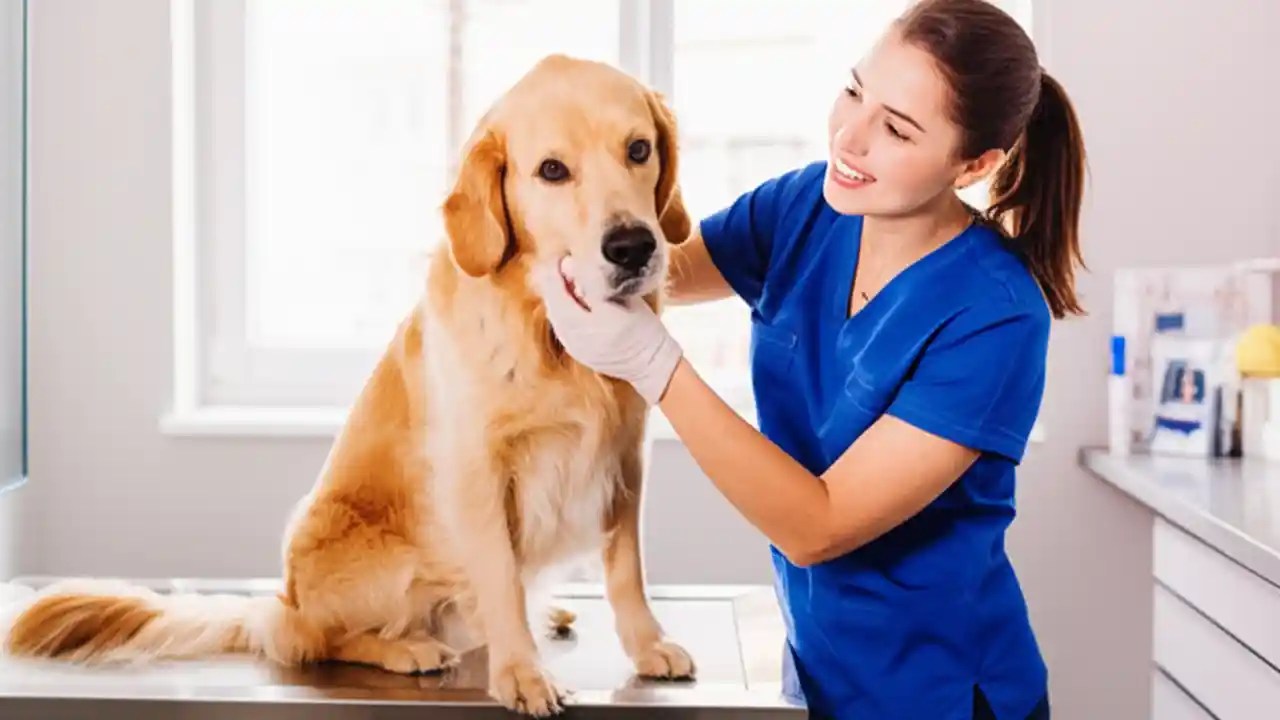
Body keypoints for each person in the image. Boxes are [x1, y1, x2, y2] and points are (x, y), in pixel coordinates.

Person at [532, 0, 1085, 717]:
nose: (850, 137)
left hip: (937, 691)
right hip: (820, 668)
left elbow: (816, 526)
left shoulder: (994, 315)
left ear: (974, 163)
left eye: (896, 128)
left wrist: (653, 364)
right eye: (855, 92)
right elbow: (671, 269)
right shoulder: (807, 207)